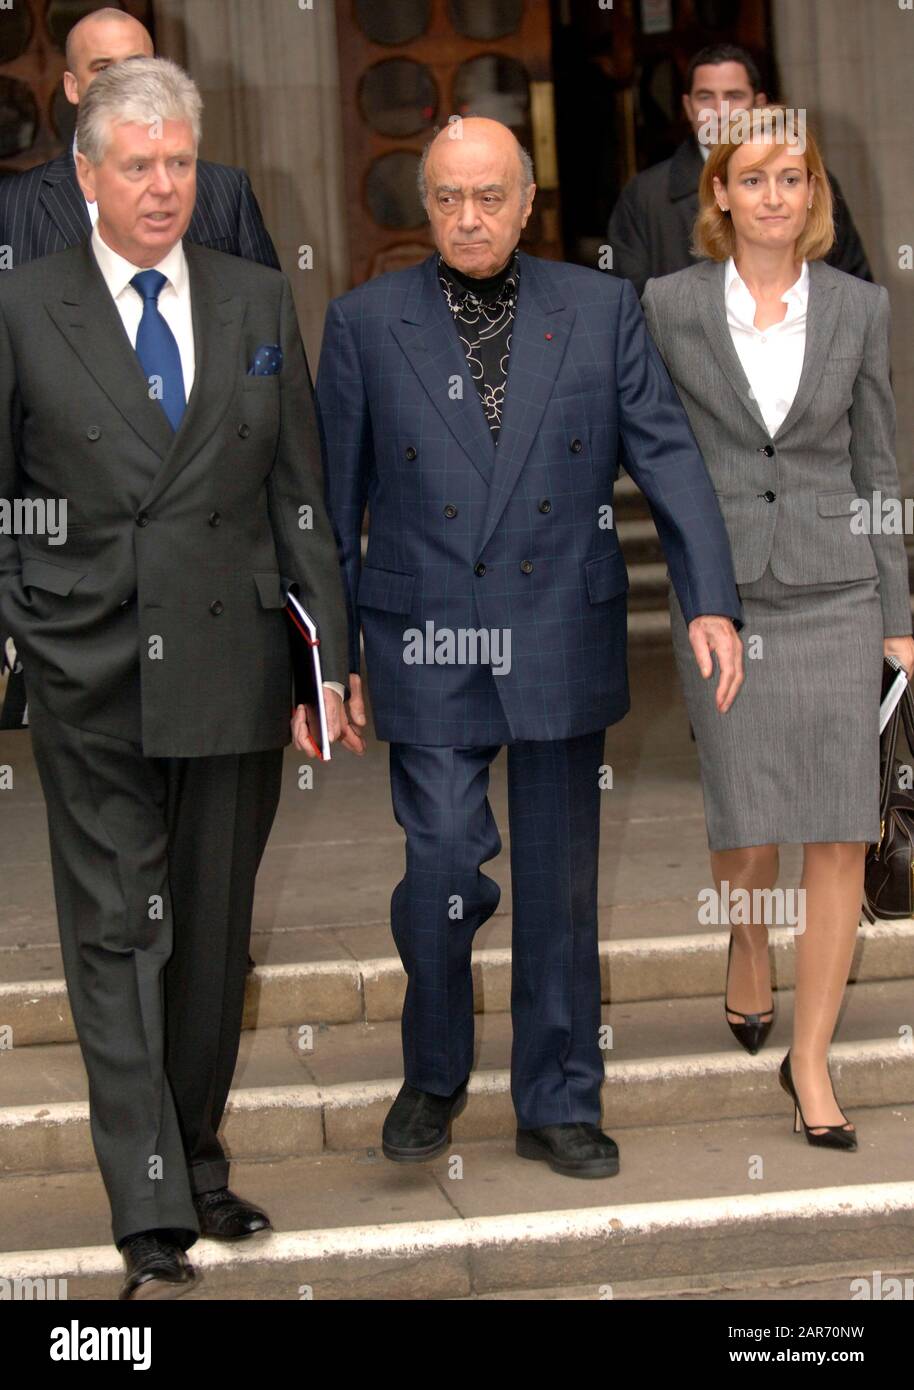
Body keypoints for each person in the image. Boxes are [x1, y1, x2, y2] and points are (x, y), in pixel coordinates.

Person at [316, 116, 744, 1181]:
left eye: (489, 196)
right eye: (449, 198)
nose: (469, 217)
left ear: (525, 202)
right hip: (423, 633)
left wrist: (708, 597)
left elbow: (665, 453)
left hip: (558, 617)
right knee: (445, 865)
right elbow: (328, 504)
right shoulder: (365, 323)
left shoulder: (598, 310)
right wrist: (332, 656)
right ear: (427, 207)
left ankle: (555, 1098)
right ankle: (433, 1068)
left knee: (556, 884)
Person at [0, 57, 355, 1298]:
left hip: (232, 657)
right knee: (116, 931)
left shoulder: (256, 297)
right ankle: (147, 1196)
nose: (162, 187)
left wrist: (328, 665)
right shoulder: (24, 301)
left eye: (179, 164)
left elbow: (299, 495)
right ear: (86, 175)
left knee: (206, 938)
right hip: (89, 664)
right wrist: (25, 620)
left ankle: (196, 1156)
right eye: (136, 165)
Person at [641, 109, 913, 1149]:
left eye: (790, 178)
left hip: (835, 587)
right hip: (723, 600)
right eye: (751, 177)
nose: (772, 195)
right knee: (747, 821)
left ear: (811, 195)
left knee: (839, 827)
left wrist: (894, 615)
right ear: (716, 191)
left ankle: (809, 1059)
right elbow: (654, 445)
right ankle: (744, 941)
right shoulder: (665, 307)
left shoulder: (854, 307)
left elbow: (875, 467)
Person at [0, 6, 279, 732]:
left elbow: (270, 370)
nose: (127, 80)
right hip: (83, 578)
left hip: (207, 562)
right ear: (69, 87)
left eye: (140, 61)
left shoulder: (218, 191)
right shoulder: (19, 209)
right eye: (103, 68)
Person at [609, 44, 872, 295]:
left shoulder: (809, 181)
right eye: (705, 97)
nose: (720, 111)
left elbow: (854, 292)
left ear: (758, 104)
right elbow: (628, 306)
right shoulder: (644, 195)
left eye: (734, 96)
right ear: (688, 107)